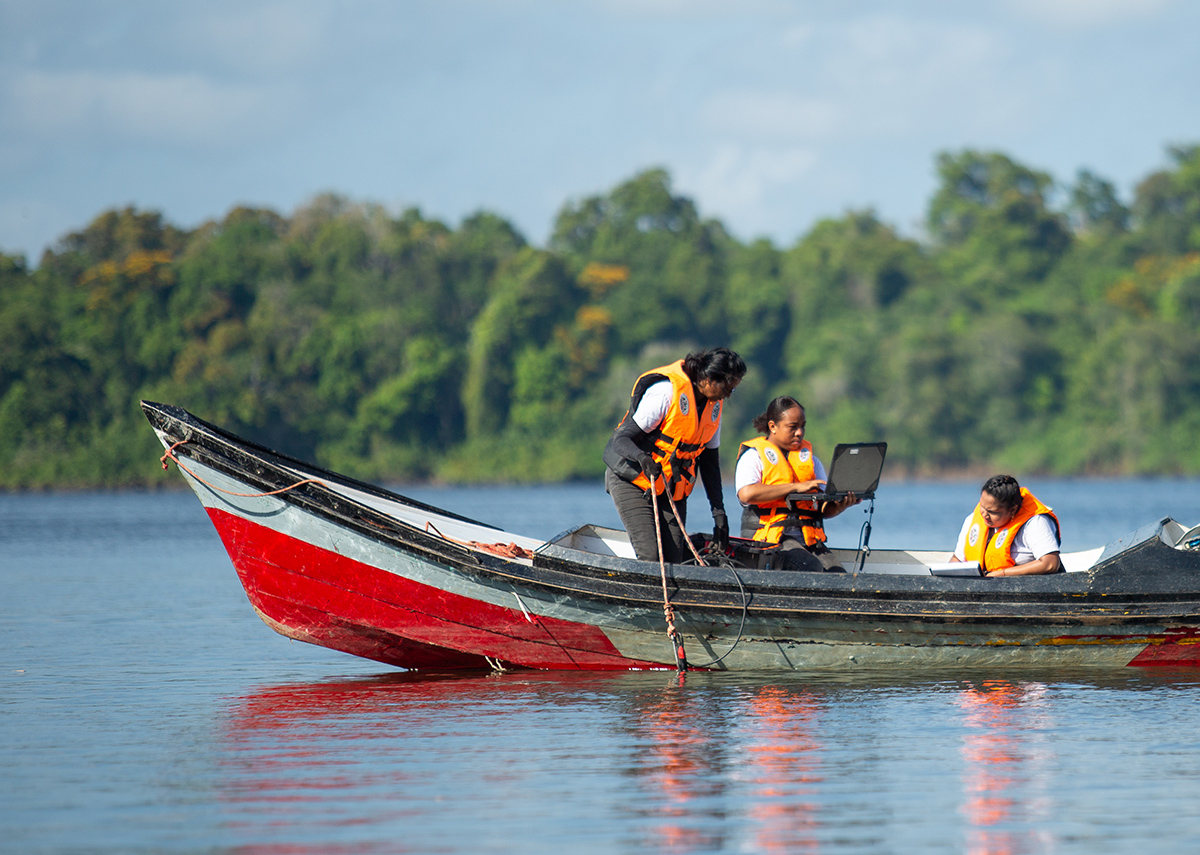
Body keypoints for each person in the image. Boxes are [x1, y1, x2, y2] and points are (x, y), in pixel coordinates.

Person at [603, 347, 746, 563]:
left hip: (669, 488)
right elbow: (620, 440)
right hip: (632, 479)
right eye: (727, 388)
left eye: (732, 390)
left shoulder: (714, 407)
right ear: (708, 378)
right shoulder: (666, 392)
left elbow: (709, 463)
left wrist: (719, 513)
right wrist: (643, 459)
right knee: (651, 556)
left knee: (674, 560)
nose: (727, 395)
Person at [734, 396, 860, 572]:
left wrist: (841, 505)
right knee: (811, 568)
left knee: (838, 575)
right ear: (773, 427)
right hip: (768, 542)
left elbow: (823, 510)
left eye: (802, 426)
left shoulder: (812, 461)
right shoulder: (753, 457)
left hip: (808, 541)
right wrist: (795, 487)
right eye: (793, 427)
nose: (800, 432)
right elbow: (747, 494)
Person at [951, 474, 1062, 577]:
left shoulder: (1036, 522)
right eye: (982, 506)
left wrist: (1002, 574)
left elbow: (1050, 564)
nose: (984, 514)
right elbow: (958, 559)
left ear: (1012, 510)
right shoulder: (973, 519)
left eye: (992, 512)